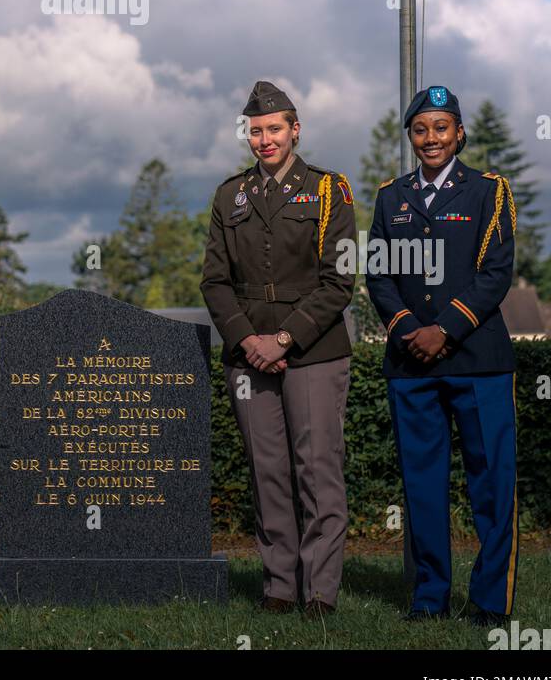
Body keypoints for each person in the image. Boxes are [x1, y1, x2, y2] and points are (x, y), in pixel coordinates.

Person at [201, 80, 356, 617]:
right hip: (248, 354)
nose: (264, 140)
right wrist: (248, 339)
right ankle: (279, 585)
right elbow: (215, 282)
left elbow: (340, 281)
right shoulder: (230, 195)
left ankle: (319, 590)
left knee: (316, 469)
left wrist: (283, 337)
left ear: (296, 130)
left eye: (274, 129)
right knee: (267, 471)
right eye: (255, 131)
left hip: (312, 350)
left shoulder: (330, 190)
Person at [366, 85, 518, 625]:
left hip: (478, 360)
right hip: (411, 363)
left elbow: (496, 273)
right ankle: (429, 596)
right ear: (410, 136)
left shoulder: (488, 191)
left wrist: (445, 330)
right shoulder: (391, 196)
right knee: (422, 485)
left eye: (441, 127)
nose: (431, 138)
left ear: (459, 133)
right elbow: (378, 274)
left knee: (492, 483)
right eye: (421, 128)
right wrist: (409, 327)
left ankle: (489, 600)